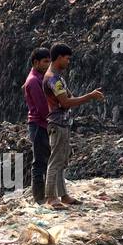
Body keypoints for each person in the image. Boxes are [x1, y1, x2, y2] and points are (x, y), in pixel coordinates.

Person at [43, 42, 104, 210]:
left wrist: (86, 96)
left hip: (63, 123)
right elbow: (66, 102)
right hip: (57, 123)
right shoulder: (53, 78)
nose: (68, 62)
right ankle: (51, 197)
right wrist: (90, 96)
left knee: (62, 160)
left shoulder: (58, 77)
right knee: (55, 160)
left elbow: (69, 96)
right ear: (59, 57)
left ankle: (63, 195)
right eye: (67, 59)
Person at [21, 47, 52, 205]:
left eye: (49, 61)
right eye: (45, 61)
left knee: (46, 161)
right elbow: (42, 108)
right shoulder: (34, 81)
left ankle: (47, 195)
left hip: (43, 124)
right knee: (39, 163)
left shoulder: (41, 77)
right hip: (39, 125)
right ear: (35, 62)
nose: (48, 64)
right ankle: (39, 198)